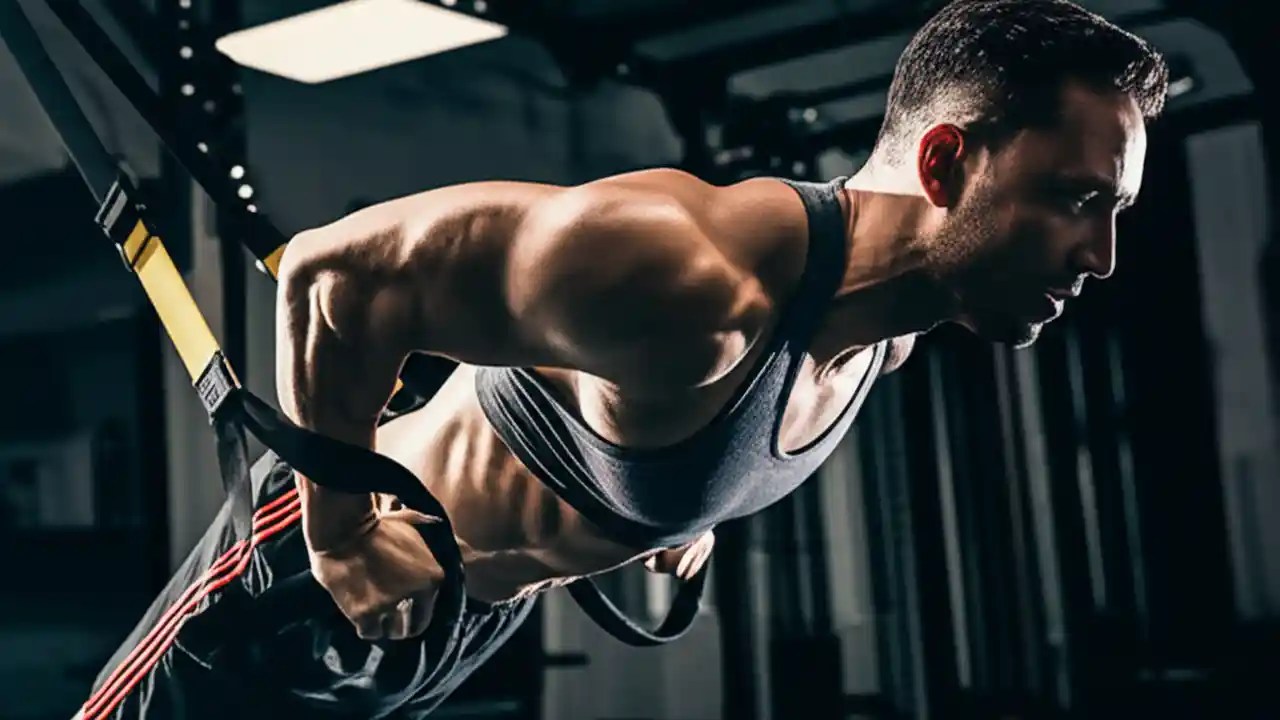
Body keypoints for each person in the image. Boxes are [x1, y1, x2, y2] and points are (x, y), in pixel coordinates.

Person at [77, 0, 1169, 717]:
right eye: (1073, 200)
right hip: (306, 591)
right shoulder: (683, 272)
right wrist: (343, 532)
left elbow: (694, 427)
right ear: (943, 162)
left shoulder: (893, 325)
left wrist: (680, 512)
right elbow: (333, 276)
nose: (1103, 256)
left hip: (458, 624)